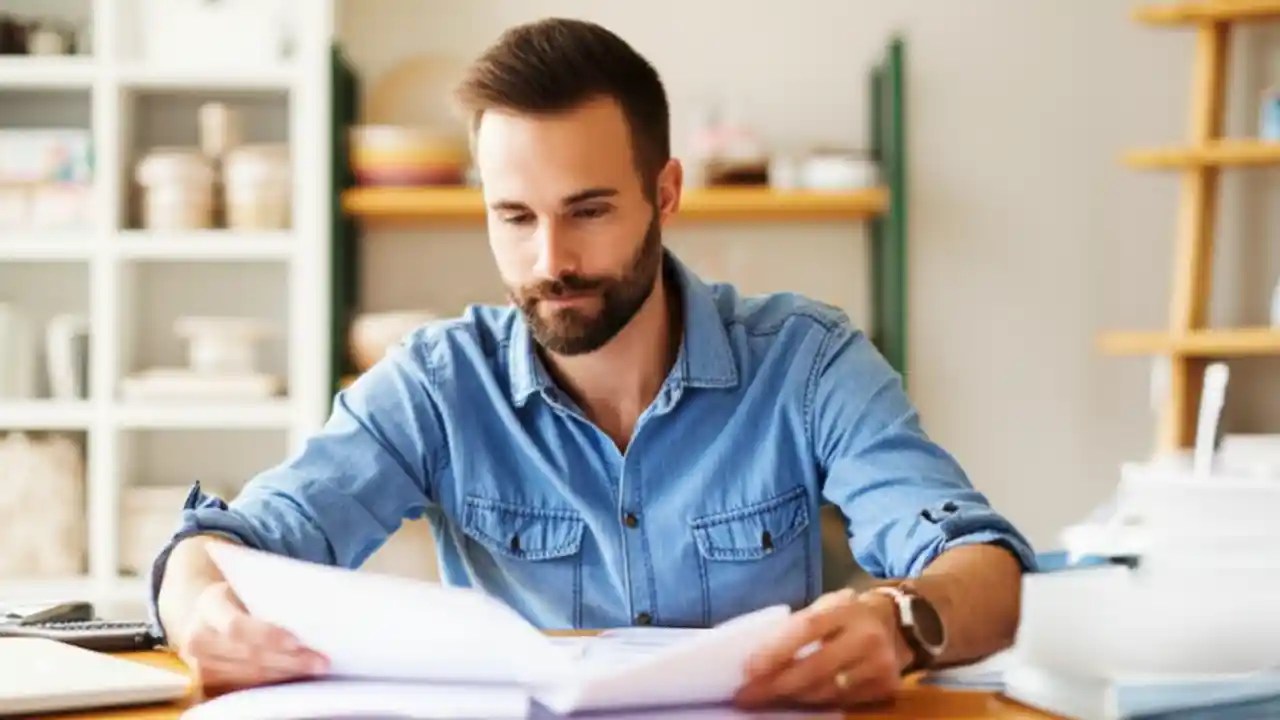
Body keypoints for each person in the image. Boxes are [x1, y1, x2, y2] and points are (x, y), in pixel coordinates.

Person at [152, 17, 1035, 709]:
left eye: (588, 210)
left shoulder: (808, 362)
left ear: (666, 193)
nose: (549, 261)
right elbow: (231, 544)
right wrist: (199, 612)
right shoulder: (435, 382)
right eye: (515, 217)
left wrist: (902, 622)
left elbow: (983, 565)